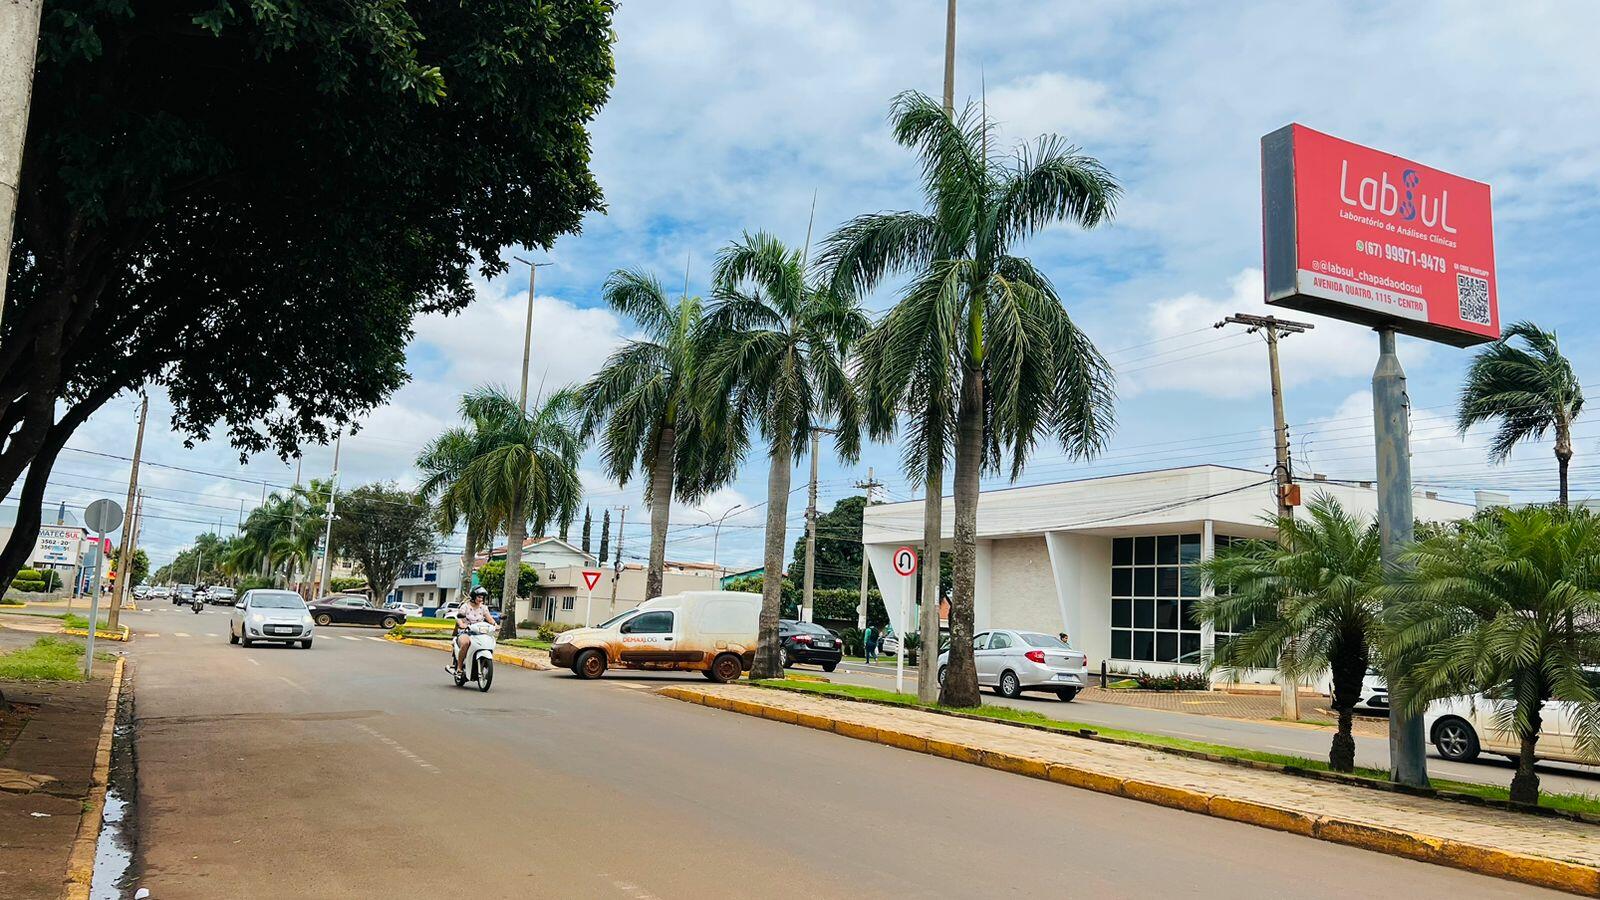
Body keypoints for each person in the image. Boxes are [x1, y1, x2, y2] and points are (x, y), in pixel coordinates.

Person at [450, 586, 494, 675]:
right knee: (466, 643)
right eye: (479, 597)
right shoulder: (465, 606)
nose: (480, 599)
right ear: (473, 597)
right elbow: (458, 618)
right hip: (465, 632)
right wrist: (461, 624)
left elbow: (490, 619)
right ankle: (459, 667)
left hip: (479, 633)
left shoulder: (483, 608)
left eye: (482, 597)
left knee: (489, 641)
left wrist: (495, 625)